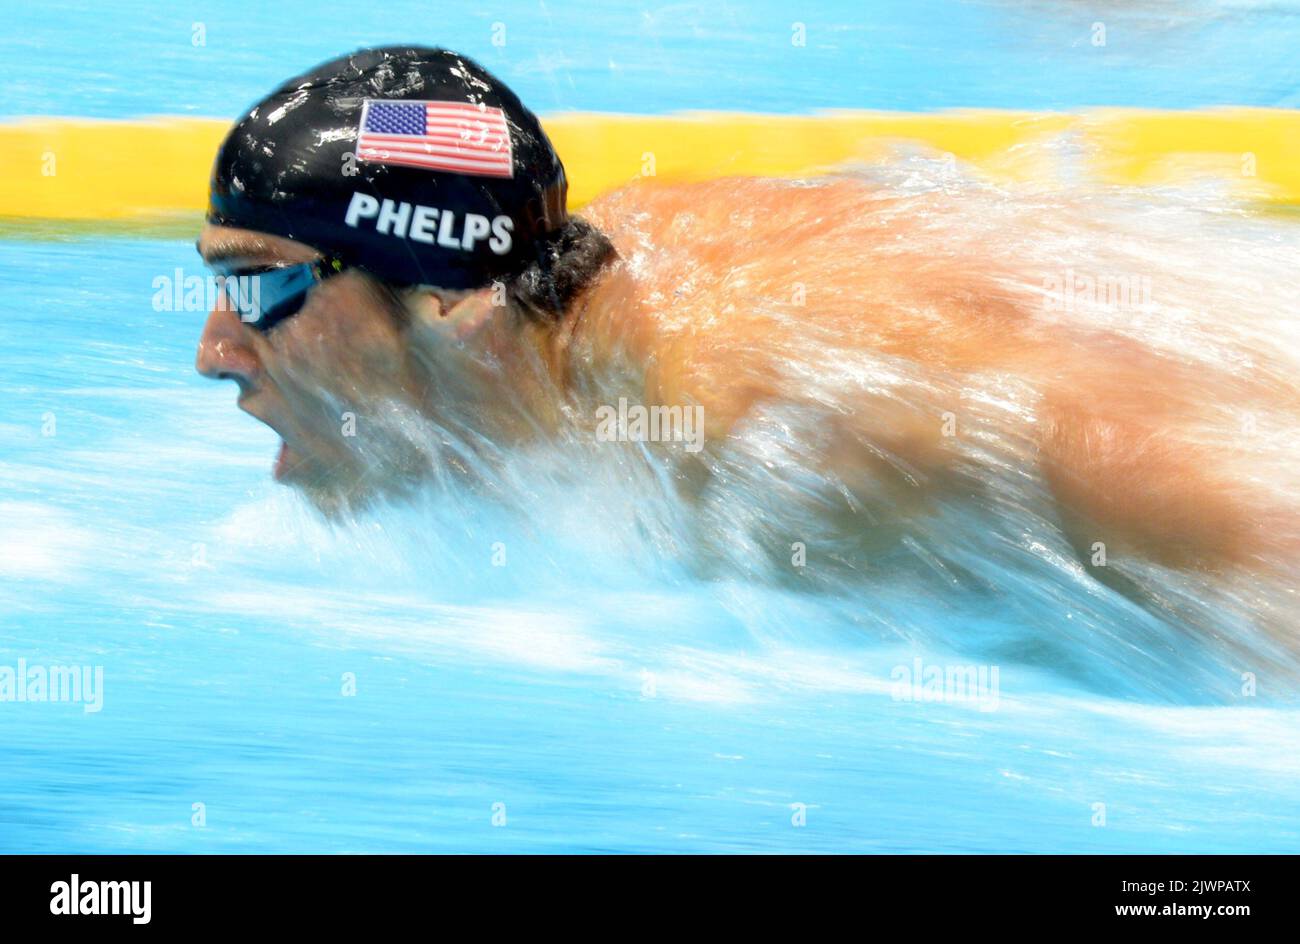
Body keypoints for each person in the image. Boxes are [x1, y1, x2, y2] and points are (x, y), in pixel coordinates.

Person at [196, 45, 1297, 602]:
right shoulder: (583, 287)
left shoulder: (749, 416)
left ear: (441, 296)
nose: (215, 352)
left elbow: (1127, 450)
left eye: (259, 287)